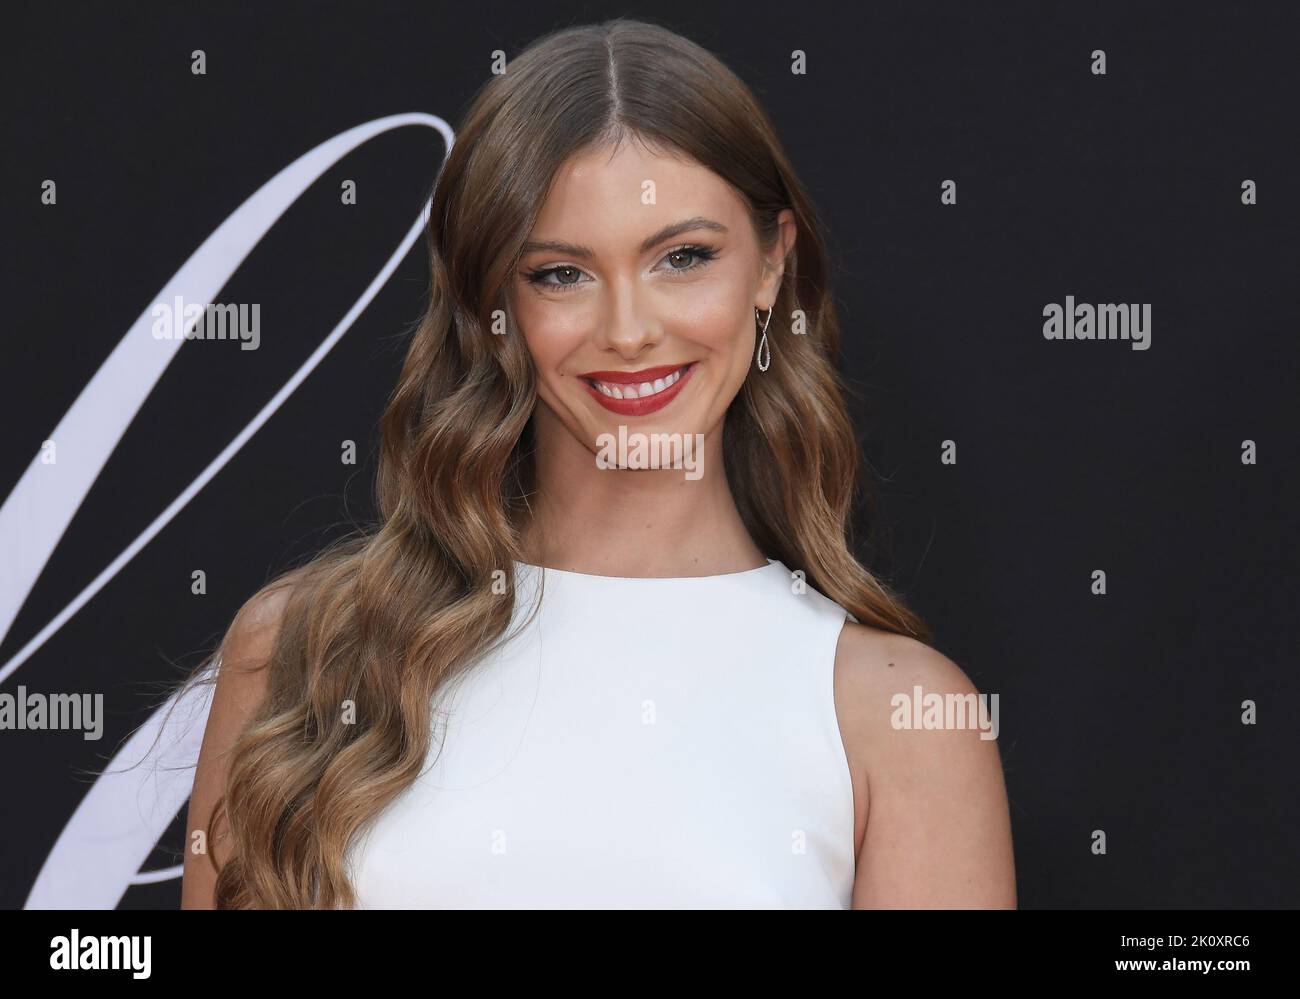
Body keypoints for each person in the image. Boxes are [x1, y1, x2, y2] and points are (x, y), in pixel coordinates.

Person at [180, 17, 1015, 909]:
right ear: (491, 298)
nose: (628, 330)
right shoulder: (300, 650)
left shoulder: (903, 718)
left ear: (773, 263)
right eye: (561, 274)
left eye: (683, 258)